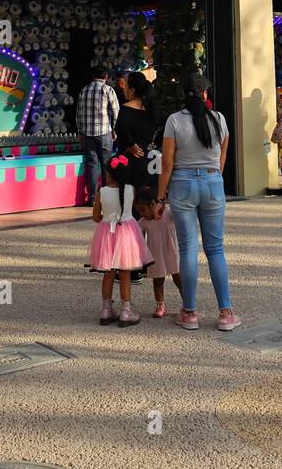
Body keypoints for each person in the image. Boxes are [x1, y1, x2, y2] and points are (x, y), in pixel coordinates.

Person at [158, 73, 240, 332]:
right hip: (212, 182)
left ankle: (189, 313)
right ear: (205, 93)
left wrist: (161, 197)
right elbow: (222, 156)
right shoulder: (219, 119)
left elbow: (167, 163)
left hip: (182, 185)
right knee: (215, 249)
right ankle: (225, 313)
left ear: (184, 94)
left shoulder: (174, 121)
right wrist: (213, 178)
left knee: (188, 249)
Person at [88, 152, 153, 327]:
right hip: (126, 233)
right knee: (125, 273)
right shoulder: (130, 190)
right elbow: (130, 211)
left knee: (108, 272)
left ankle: (106, 309)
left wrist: (107, 217)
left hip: (107, 234)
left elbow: (95, 217)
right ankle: (126, 311)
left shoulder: (102, 192)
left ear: (108, 174)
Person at [133, 184, 181, 319]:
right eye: (140, 212)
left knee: (179, 279)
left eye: (143, 210)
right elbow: (135, 234)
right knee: (157, 282)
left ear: (153, 203)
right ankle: (160, 305)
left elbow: (182, 214)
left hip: (172, 251)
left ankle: (187, 303)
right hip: (156, 255)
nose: (142, 214)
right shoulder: (143, 222)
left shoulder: (169, 213)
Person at [76, 65, 121, 205]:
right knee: (106, 165)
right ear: (106, 77)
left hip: (88, 133)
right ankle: (107, 197)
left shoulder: (84, 90)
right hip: (104, 132)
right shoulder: (108, 90)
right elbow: (116, 111)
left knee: (92, 164)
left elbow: (79, 113)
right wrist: (114, 129)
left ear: (92, 77)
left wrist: (80, 131)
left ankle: (92, 197)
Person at [114, 71, 158, 190]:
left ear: (132, 90)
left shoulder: (125, 109)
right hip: (151, 162)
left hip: (130, 162)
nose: (124, 88)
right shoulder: (152, 109)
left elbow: (120, 129)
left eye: (126, 85)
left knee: (129, 201)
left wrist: (131, 145)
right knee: (147, 202)